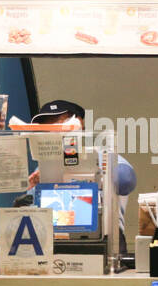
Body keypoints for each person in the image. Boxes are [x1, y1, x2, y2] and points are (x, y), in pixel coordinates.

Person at [20, 100, 137, 253]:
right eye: (47, 128)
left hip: (104, 239)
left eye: (58, 124)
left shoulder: (103, 155)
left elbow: (125, 180)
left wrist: (80, 171)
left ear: (78, 125)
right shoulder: (42, 166)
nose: (52, 133)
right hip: (55, 240)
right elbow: (29, 209)